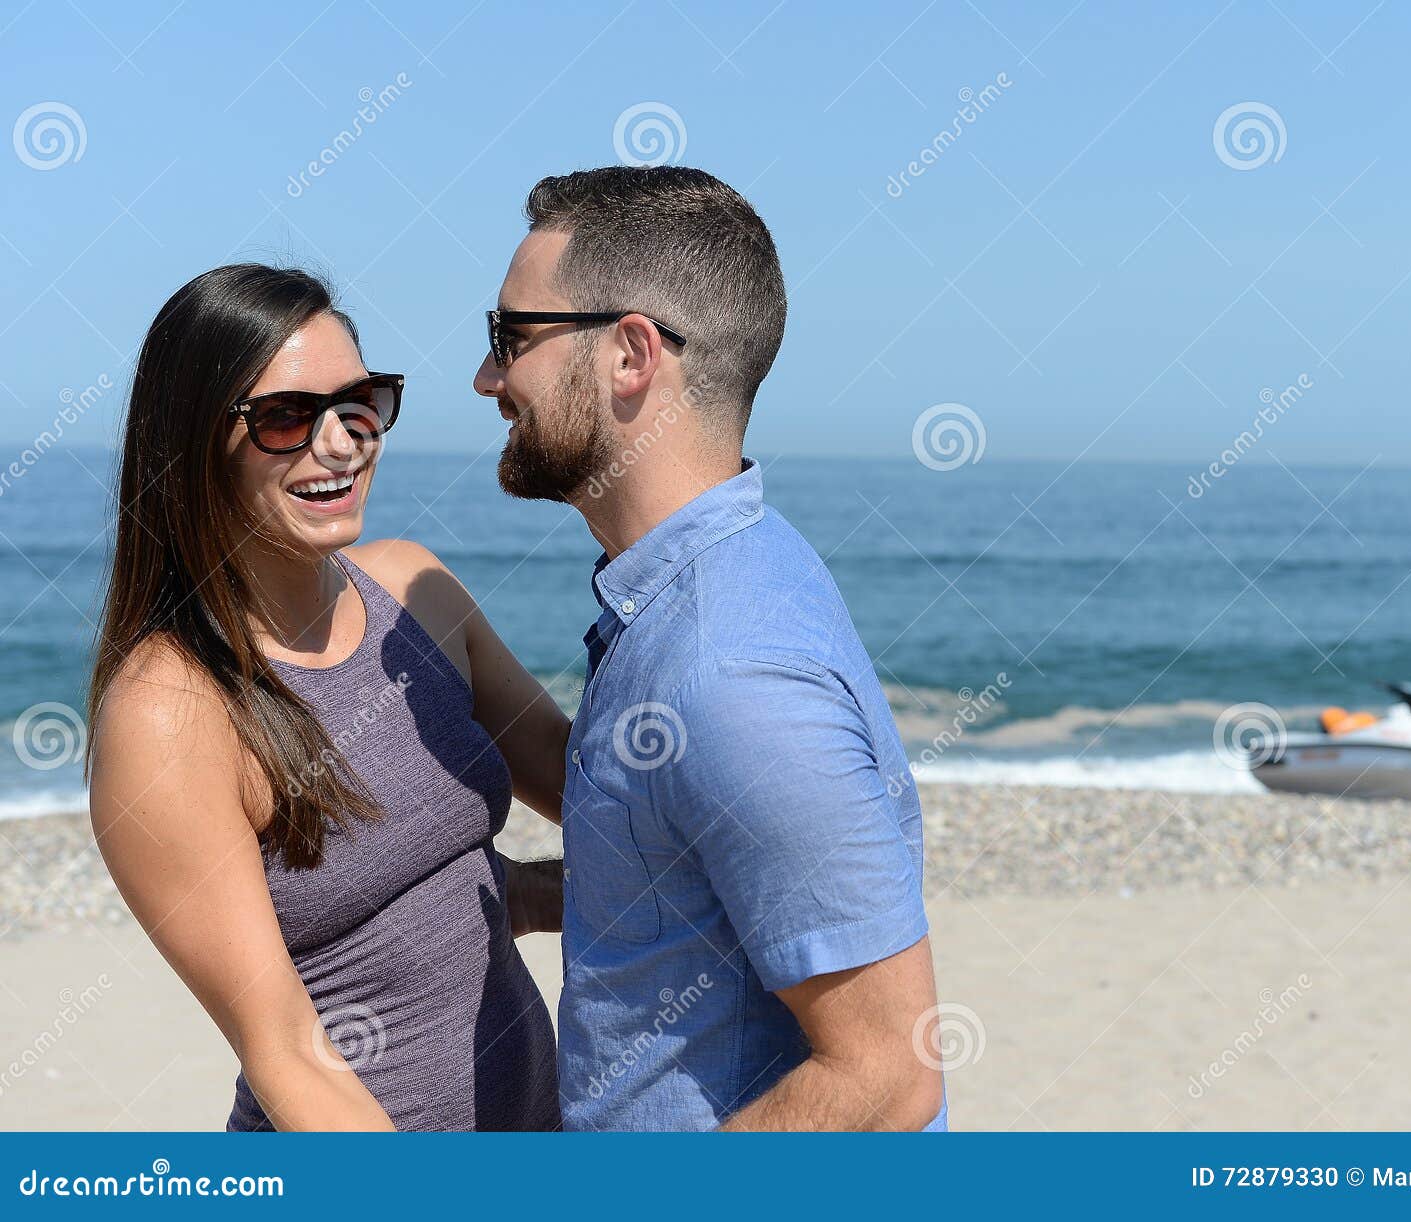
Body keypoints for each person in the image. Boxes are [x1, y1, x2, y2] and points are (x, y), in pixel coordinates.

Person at [474, 166, 947, 1130]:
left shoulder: (729, 671)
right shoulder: (723, 574)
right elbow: (698, 887)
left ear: (632, 354)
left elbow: (887, 1076)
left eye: (509, 339)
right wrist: (515, 896)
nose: (488, 378)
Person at [87, 264, 569, 1131]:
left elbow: (585, 791)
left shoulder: (416, 590)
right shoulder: (169, 710)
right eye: (285, 417)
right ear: (191, 441)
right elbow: (287, 1055)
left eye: (359, 402)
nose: (343, 442)